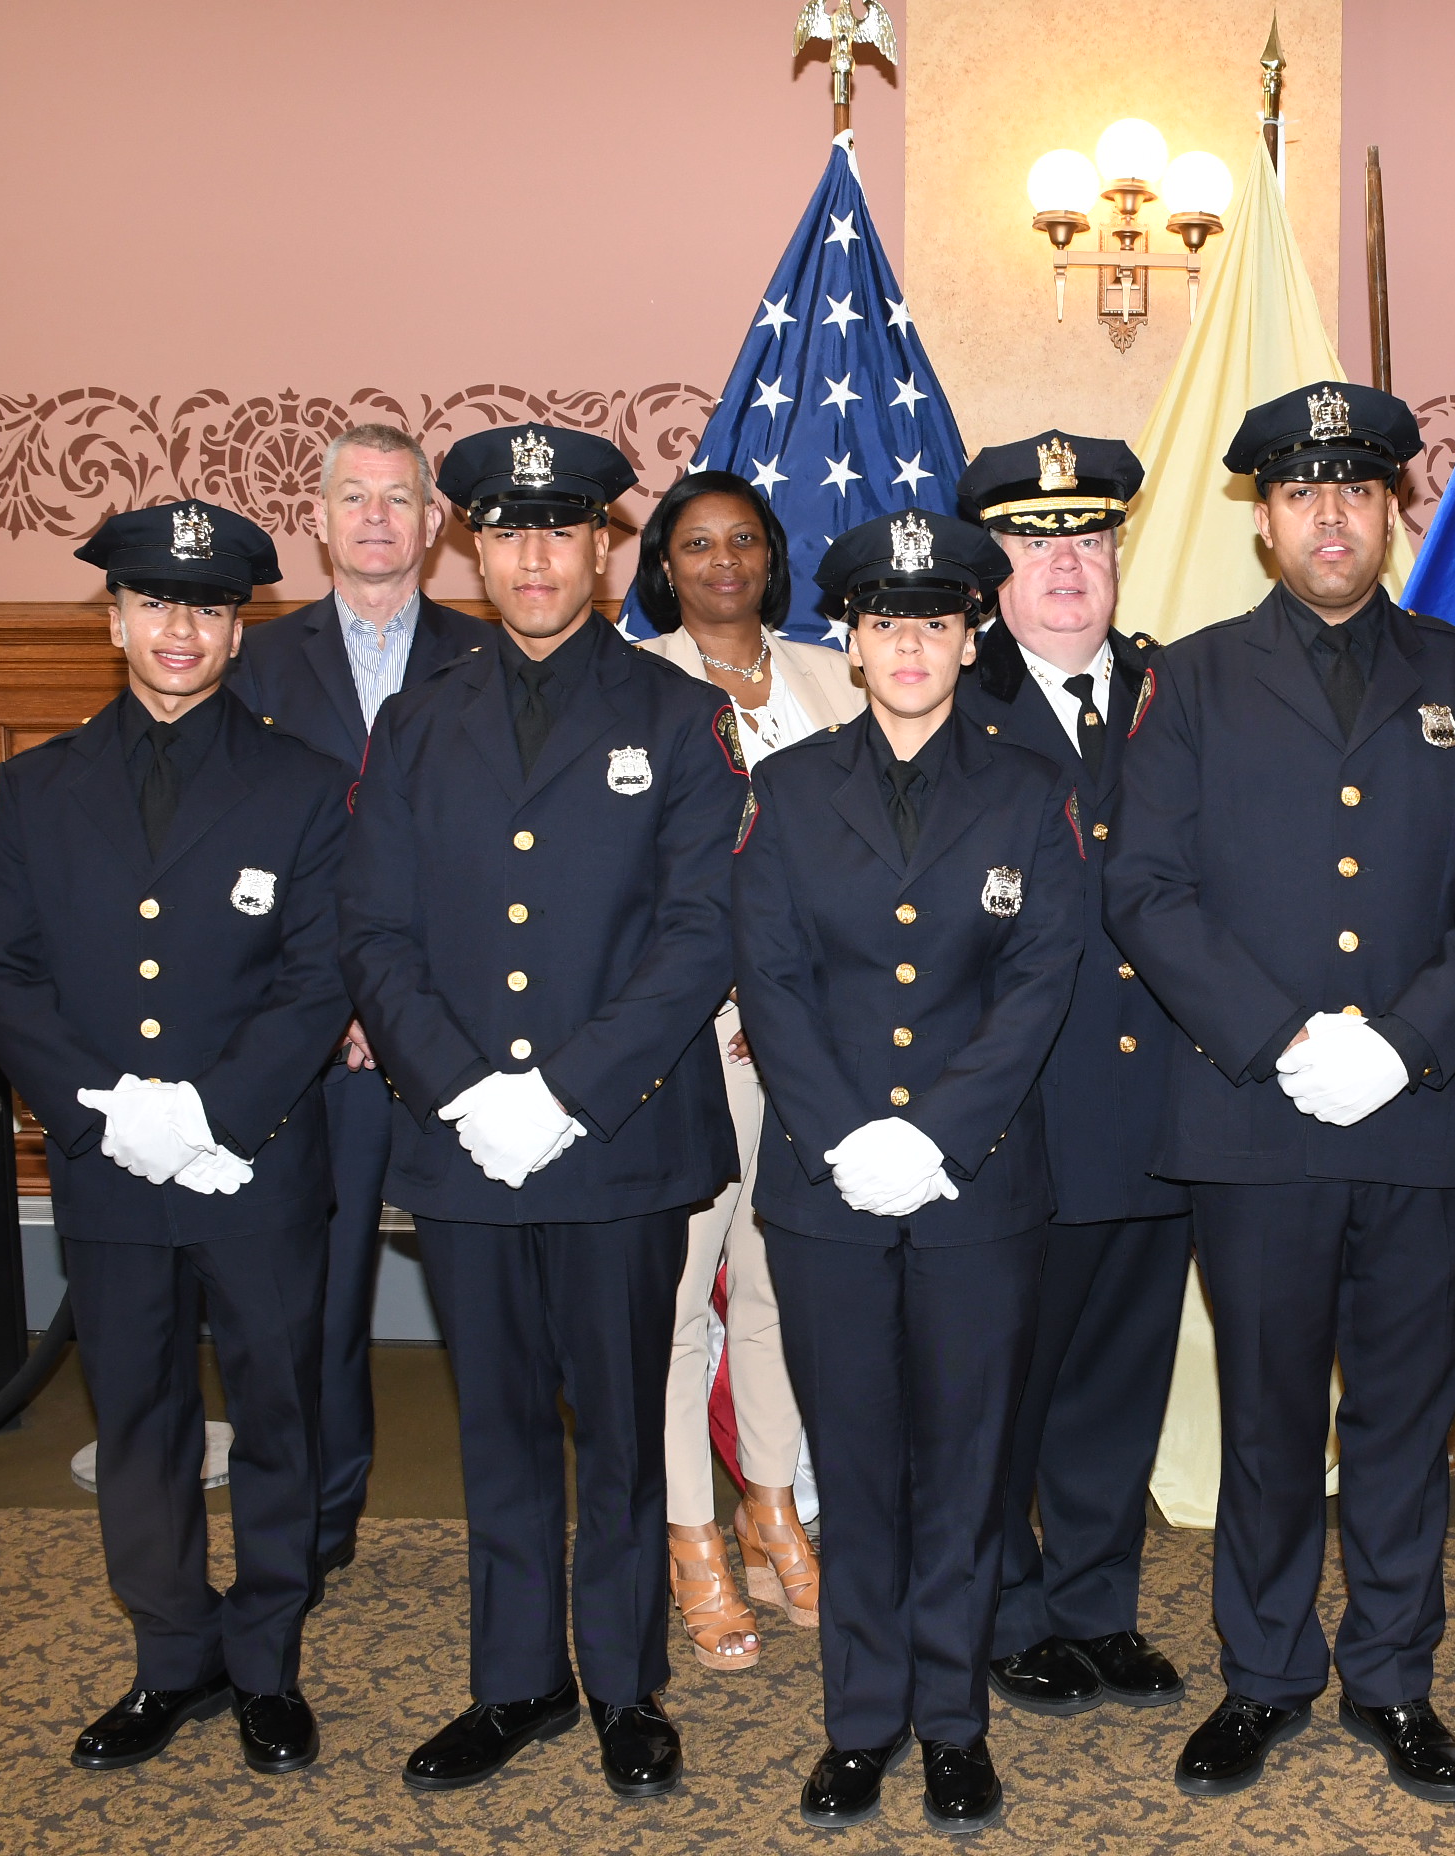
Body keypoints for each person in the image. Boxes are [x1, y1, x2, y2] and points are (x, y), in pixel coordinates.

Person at [1104, 382, 1455, 1805]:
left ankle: (1396, 1680)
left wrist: (1406, 1043)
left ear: (1392, 507)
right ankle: (1266, 1675)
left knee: (1407, 1422)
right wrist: (1287, 1039)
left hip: (1416, 1122)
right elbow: (1146, 889)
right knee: (1270, 1416)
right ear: (1266, 519)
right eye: (1303, 493)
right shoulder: (1194, 679)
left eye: (1357, 489)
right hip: (1257, 1117)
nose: (1332, 514)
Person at [339, 423, 750, 1800]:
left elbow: (702, 933)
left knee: (625, 1430)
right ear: (472, 543)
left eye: (561, 530)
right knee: (498, 1427)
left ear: (600, 549)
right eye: (507, 531)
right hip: (465, 1153)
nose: (531, 555)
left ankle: (629, 1688)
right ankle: (515, 1685)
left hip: (617, 1145)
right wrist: (466, 1091)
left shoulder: (674, 716)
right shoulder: (416, 724)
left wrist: (563, 1093)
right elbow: (375, 930)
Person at [0, 499, 349, 1776]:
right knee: (137, 1411)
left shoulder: (303, 787)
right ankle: (171, 1654)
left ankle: (266, 1658)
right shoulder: (39, 784)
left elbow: (319, 975)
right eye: (156, 603)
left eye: (208, 608)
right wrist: (109, 1110)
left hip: (258, 1159)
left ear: (238, 632)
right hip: (110, 1169)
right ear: (116, 616)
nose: (180, 628)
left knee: (283, 1407)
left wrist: (214, 1112)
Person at [733, 508, 1085, 1835]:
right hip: (826, 1192)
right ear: (853, 634)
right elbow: (770, 981)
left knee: (967, 1467)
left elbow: (1039, 984)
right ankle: (859, 1721)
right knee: (859, 1463)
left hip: (976, 1194)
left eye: (935, 621)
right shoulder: (787, 788)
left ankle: (953, 1722)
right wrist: (848, 1138)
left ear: (971, 630)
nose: (910, 645)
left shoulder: (1024, 793)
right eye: (885, 622)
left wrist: (930, 1139)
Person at [221, 422, 488, 1597]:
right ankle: (317, 1527)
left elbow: (497, 867)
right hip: (311, 1043)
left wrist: (402, 1000)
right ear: (317, 522)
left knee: (494, 1299)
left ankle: (517, 1534)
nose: (377, 517)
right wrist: (333, 999)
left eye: (399, 498)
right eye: (352, 497)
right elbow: (241, 860)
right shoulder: (250, 669)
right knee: (313, 1301)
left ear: (436, 526)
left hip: (455, 1033)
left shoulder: (491, 662)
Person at [952, 432, 1190, 1720]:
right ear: (994, 566)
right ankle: (1006, 1603)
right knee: (1004, 1378)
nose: (1068, 566)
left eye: (1090, 540)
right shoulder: (950, 696)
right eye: (1040, 542)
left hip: (1158, 1106)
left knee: (1118, 1374)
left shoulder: (1180, 696)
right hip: (1014, 1111)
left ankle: (1096, 1605)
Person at [630, 467, 862, 1669]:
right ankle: (691, 1539)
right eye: (696, 543)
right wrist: (720, 997)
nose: (722, 560)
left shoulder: (838, 675)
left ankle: (770, 1503)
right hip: (696, 1039)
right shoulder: (635, 686)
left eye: (743, 541)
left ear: (774, 556)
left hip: (820, 1041)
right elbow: (638, 882)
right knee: (680, 1299)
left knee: (778, 1288)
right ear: (665, 565)